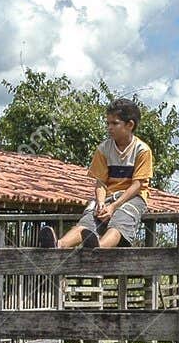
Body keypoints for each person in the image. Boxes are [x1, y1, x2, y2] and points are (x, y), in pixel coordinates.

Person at [40, 98, 153, 249]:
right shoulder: (103, 149)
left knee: (120, 221)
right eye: (108, 123)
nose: (109, 128)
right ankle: (58, 245)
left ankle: (98, 247)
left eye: (115, 123)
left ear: (130, 125)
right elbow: (100, 182)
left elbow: (137, 185)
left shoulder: (142, 150)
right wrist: (101, 202)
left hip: (132, 197)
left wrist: (114, 207)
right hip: (108, 196)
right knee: (88, 220)